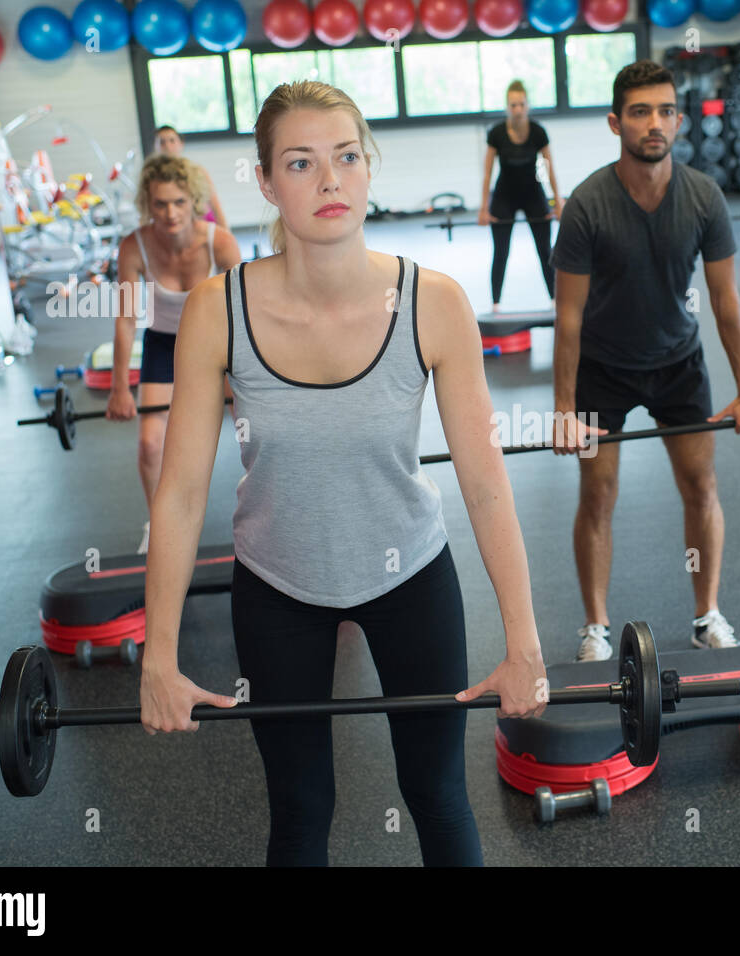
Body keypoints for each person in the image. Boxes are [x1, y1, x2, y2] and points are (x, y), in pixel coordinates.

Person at [137, 80, 547, 867]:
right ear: (264, 181)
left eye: (346, 157)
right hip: (276, 579)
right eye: (300, 162)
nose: (329, 180)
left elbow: (485, 482)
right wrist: (159, 653)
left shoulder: (435, 303)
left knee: (436, 795)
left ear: (368, 167)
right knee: (299, 811)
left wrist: (523, 642)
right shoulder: (216, 311)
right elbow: (182, 491)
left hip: (410, 571)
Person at [550, 60, 740, 663]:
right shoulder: (588, 205)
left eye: (666, 111)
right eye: (641, 112)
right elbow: (567, 317)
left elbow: (725, 302)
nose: (655, 123)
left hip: (678, 362)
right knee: (599, 493)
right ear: (616, 121)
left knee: (701, 485)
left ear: (679, 118)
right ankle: (595, 628)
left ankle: (707, 615)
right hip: (603, 366)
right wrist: (563, 410)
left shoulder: (703, 197)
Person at [108, 154, 242, 554]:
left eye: (179, 202)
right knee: (150, 445)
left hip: (219, 344)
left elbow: (248, 309)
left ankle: (273, 510)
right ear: (148, 205)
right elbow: (126, 321)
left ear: (195, 201)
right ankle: (160, 526)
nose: (170, 213)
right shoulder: (134, 247)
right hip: (165, 345)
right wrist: (119, 388)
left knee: (256, 430)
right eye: (161, 204)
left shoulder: (219, 242)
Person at [477, 80, 563, 312]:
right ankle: (495, 304)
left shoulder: (537, 131)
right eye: (513, 105)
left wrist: (557, 202)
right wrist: (484, 208)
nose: (517, 109)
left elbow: (548, 168)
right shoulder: (496, 133)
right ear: (507, 106)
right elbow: (487, 174)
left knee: (545, 250)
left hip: (533, 195)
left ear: (527, 105)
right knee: (501, 252)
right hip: (504, 196)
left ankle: (556, 300)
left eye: (521, 104)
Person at [154, 125, 230, 231]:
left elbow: (215, 206)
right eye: (162, 142)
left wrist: (227, 236)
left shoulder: (198, 172)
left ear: (181, 144)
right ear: (155, 147)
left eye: (172, 141)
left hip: (203, 228)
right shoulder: (152, 178)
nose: (167, 146)